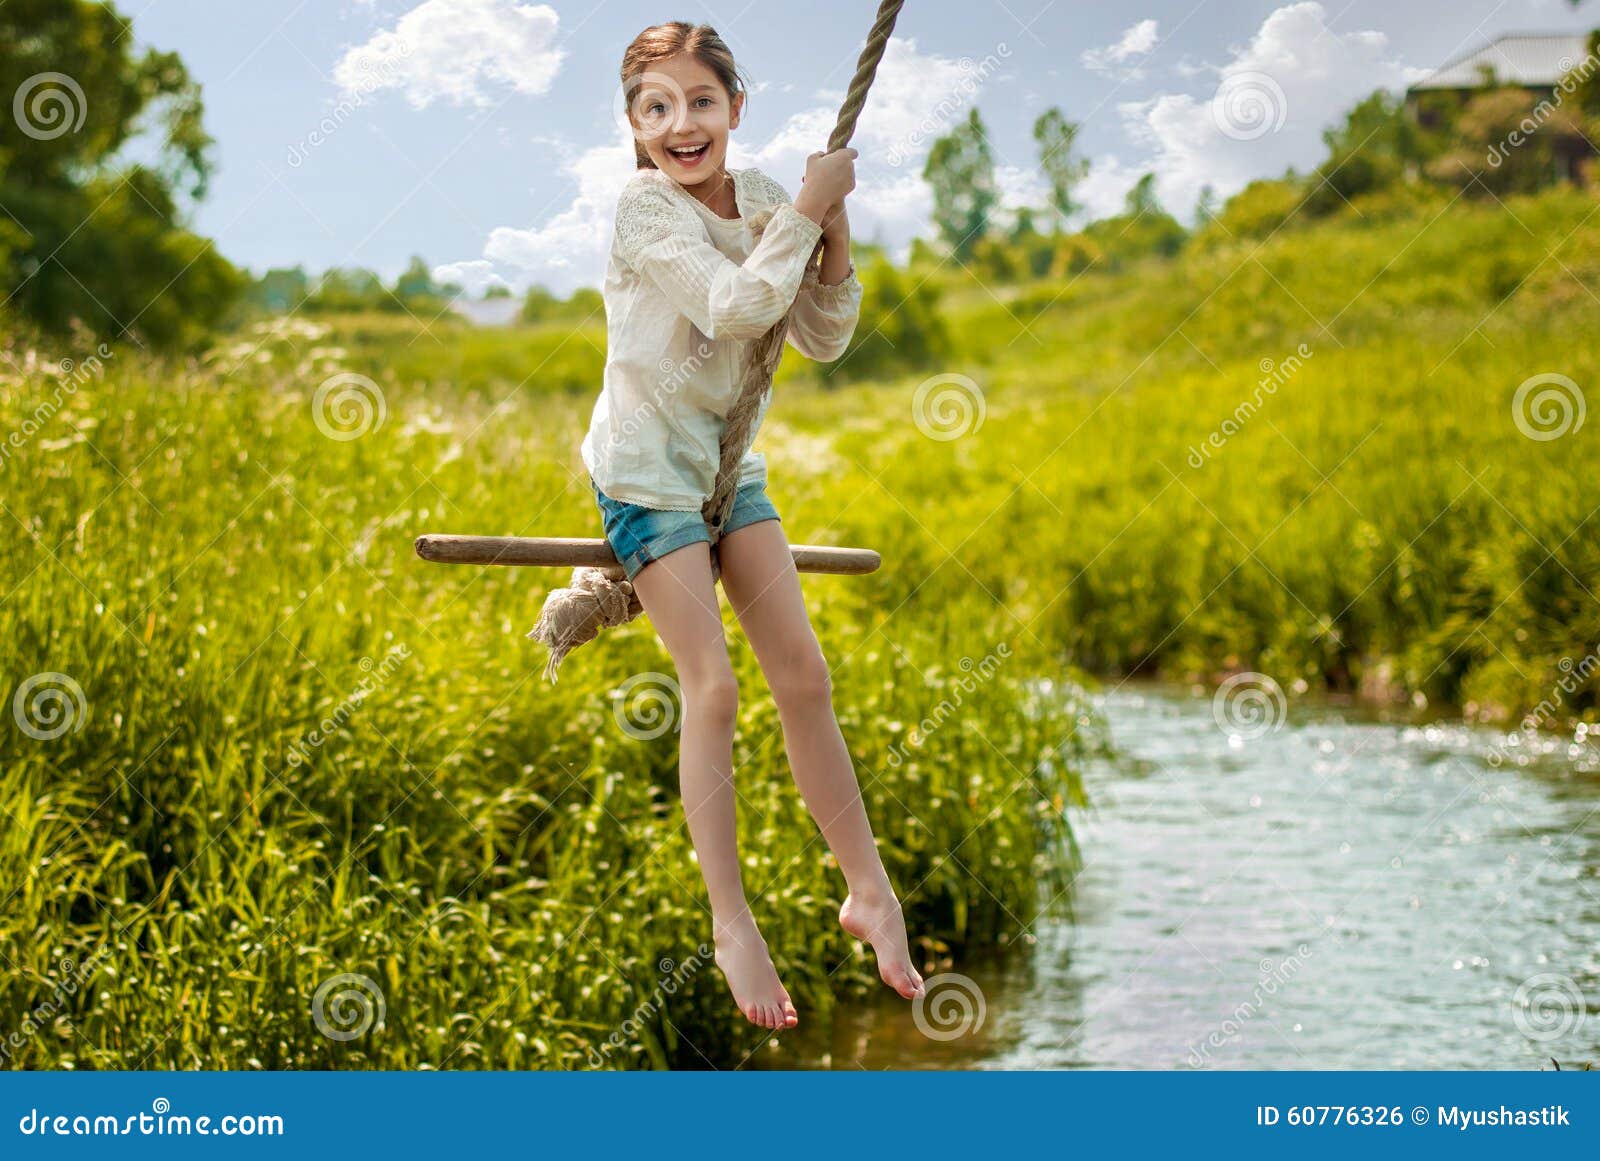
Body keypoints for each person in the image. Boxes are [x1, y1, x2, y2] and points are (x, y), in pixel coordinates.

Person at [579, 20, 926, 1031]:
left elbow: (820, 334)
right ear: (635, 128)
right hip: (646, 472)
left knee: (804, 676)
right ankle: (731, 923)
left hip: (726, 470)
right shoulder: (644, 209)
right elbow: (735, 307)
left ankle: (870, 892)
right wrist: (808, 213)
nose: (680, 125)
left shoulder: (770, 196)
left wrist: (831, 227)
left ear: (734, 105)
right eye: (656, 108)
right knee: (714, 686)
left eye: (699, 101)